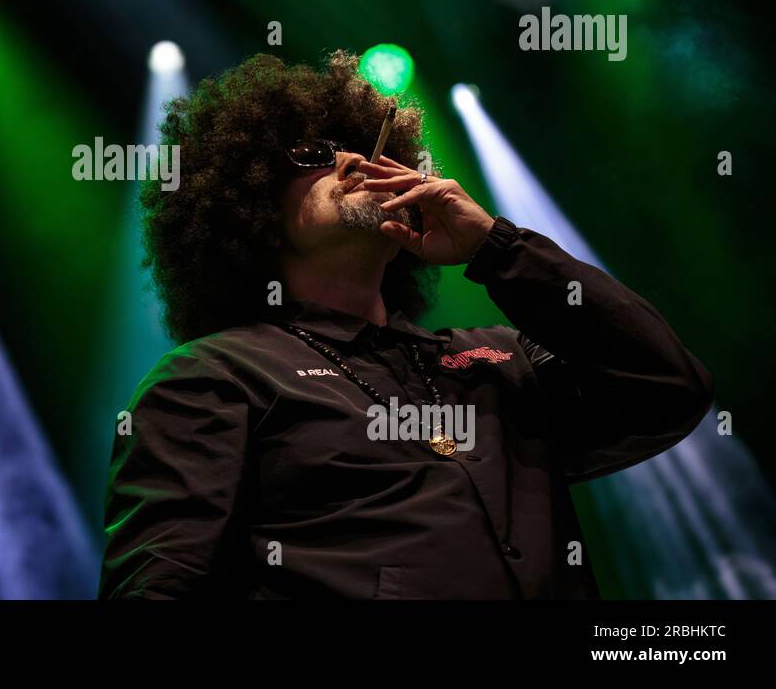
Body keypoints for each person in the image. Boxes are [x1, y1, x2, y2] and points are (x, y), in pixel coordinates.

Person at [98, 52, 712, 599]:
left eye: (362, 147)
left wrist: (496, 248)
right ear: (249, 208)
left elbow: (665, 388)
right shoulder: (213, 377)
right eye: (312, 155)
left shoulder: (501, 361)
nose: (353, 161)